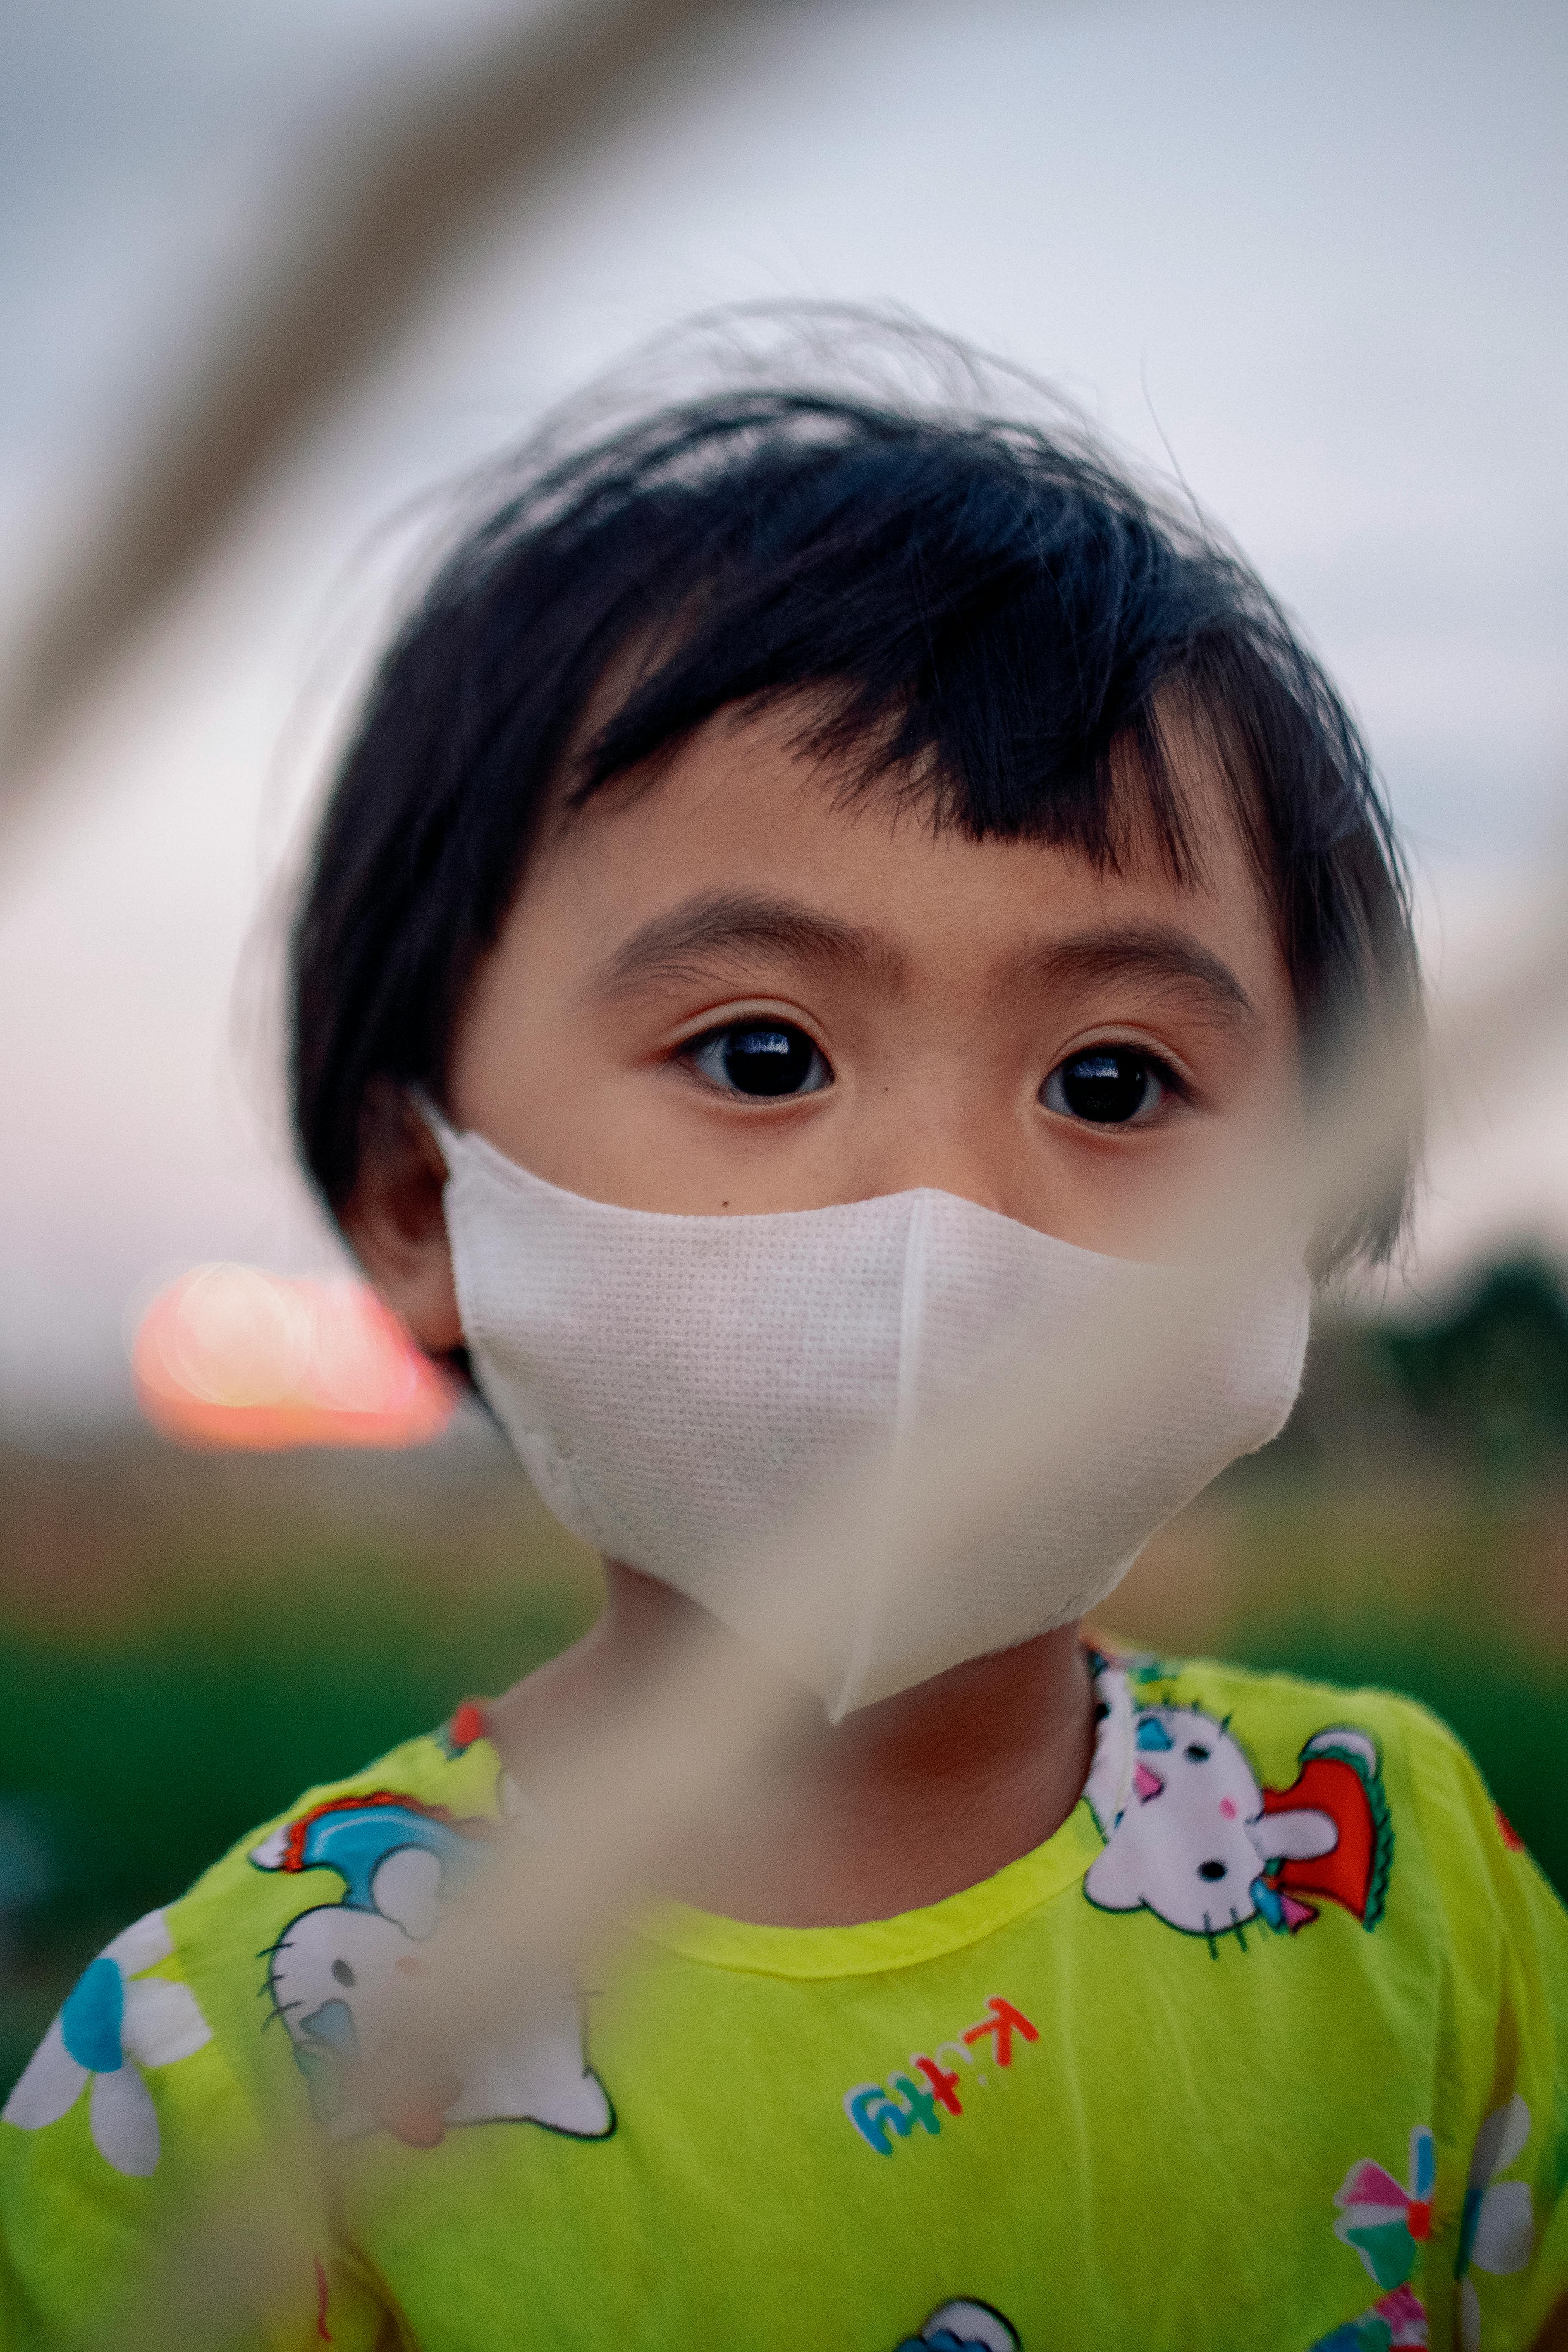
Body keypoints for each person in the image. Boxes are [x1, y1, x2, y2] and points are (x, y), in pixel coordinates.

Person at [3, 346, 1564, 2351]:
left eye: (1111, 1078)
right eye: (763, 1052)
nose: (947, 1207)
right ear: (422, 1201)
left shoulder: (1410, 1893)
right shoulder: (230, 2074)